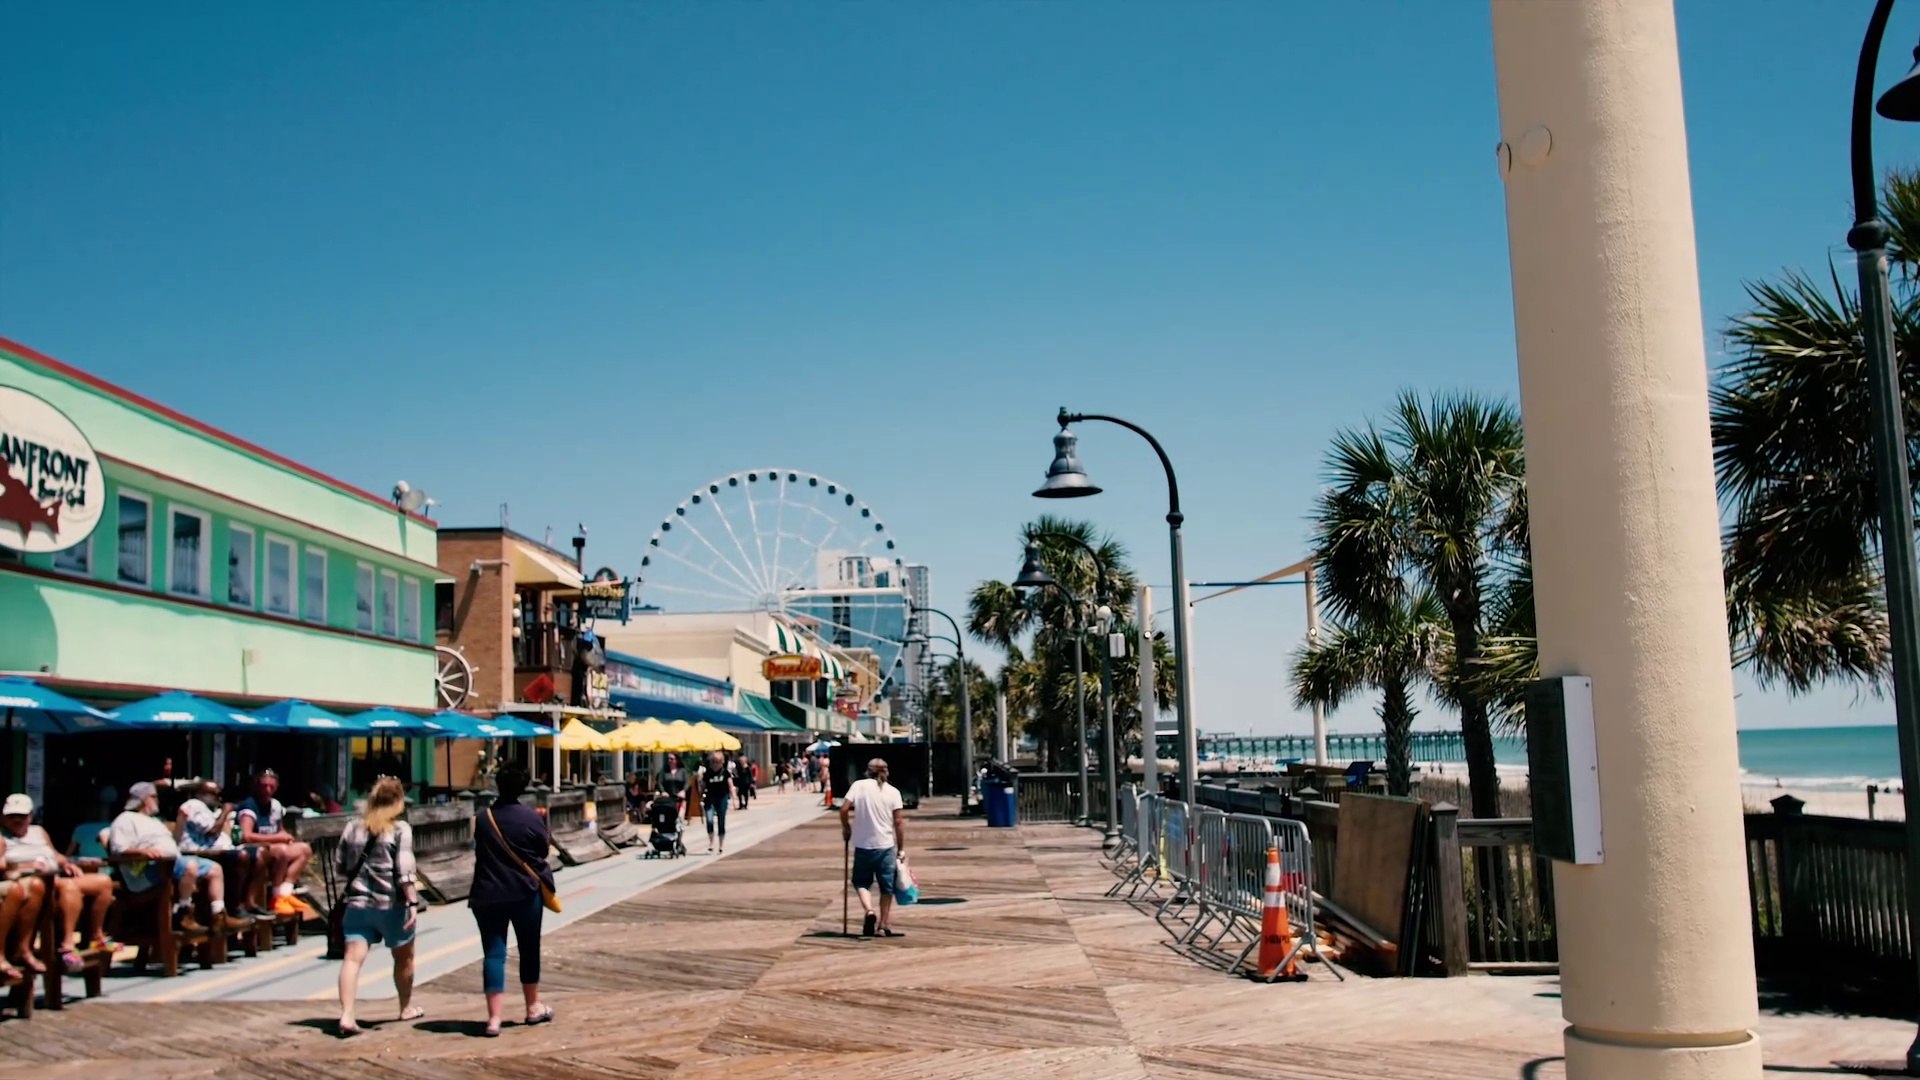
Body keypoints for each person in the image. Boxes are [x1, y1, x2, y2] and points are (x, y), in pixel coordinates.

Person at [469, 767, 554, 1037]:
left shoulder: (483, 819)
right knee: (529, 948)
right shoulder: (530, 817)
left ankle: (494, 1018)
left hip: (487, 893)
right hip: (524, 892)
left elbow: (478, 847)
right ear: (524, 786)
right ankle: (532, 1007)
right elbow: (543, 849)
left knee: (494, 953)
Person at [334, 777, 421, 1035]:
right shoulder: (400, 829)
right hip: (391, 904)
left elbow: (340, 865)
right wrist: (413, 902)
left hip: (358, 904)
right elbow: (405, 871)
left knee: (352, 959)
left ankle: (347, 1015)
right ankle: (405, 1007)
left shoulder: (353, 827)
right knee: (404, 957)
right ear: (398, 802)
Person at [109, 782, 245, 934]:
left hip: (171, 865)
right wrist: (143, 852)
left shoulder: (153, 820)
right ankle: (184, 913)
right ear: (143, 799)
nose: (157, 800)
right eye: (154, 797)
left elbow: (173, 844)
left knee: (214, 869)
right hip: (146, 871)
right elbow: (119, 849)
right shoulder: (125, 819)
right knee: (190, 866)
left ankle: (219, 916)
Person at [1, 794, 114, 974]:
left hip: (53, 876)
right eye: (12, 816)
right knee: (70, 887)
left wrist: (67, 863)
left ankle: (96, 934)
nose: (17, 820)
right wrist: (29, 866)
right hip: (32, 882)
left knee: (103, 882)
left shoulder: (38, 832)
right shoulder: (3, 837)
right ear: (4, 817)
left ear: (30, 816)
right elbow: (4, 866)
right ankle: (68, 945)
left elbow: (54, 854)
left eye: (21, 816)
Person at [177, 780, 265, 917]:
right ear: (200, 794)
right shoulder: (193, 805)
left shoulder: (209, 809)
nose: (218, 797)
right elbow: (212, 831)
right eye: (213, 794)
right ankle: (234, 906)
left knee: (260, 854)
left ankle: (250, 903)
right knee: (241, 856)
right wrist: (225, 811)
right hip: (200, 852)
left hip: (218, 850)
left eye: (219, 794)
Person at [839, 758, 905, 938]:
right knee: (887, 888)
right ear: (885, 772)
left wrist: (846, 827)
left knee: (861, 883)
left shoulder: (858, 786)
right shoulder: (894, 792)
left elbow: (844, 809)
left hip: (862, 844)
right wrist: (901, 848)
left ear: (868, 771)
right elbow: (898, 822)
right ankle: (883, 925)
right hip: (885, 846)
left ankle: (869, 910)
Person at [237, 769, 314, 917]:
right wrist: (278, 838)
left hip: (273, 846)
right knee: (282, 851)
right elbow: (246, 836)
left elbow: (280, 830)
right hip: (254, 849)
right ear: (256, 786)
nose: (267, 790)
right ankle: (276, 897)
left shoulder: (276, 805)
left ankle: (286, 893)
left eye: (271, 786)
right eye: (264, 786)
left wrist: (286, 837)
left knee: (304, 849)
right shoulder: (249, 805)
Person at [699, 752, 731, 855]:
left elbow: (731, 786)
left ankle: (721, 845)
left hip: (722, 799)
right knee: (709, 820)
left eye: (717, 762)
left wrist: (734, 799)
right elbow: (703, 786)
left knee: (721, 821)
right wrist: (700, 797)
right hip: (710, 799)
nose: (715, 764)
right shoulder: (707, 773)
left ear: (722, 762)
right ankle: (711, 843)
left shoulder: (725, 773)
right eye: (713, 762)